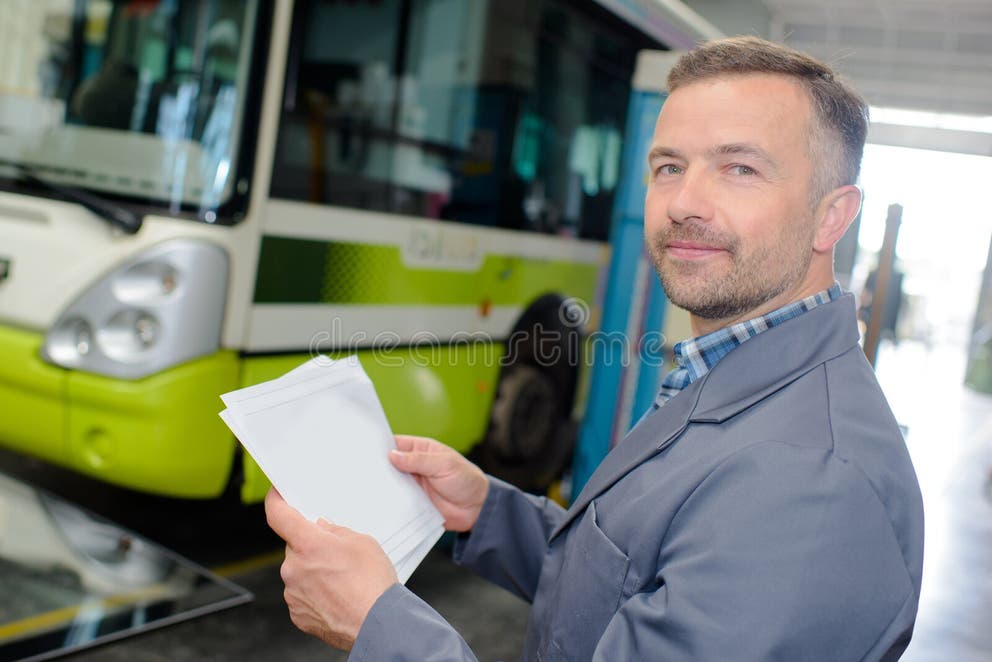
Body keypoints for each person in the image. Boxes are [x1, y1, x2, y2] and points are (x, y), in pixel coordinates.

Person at [265, 36, 925, 661]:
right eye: (668, 166)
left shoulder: (814, 485)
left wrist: (378, 623)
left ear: (833, 216)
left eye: (740, 168)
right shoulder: (732, 369)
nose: (684, 201)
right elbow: (643, 576)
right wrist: (487, 514)